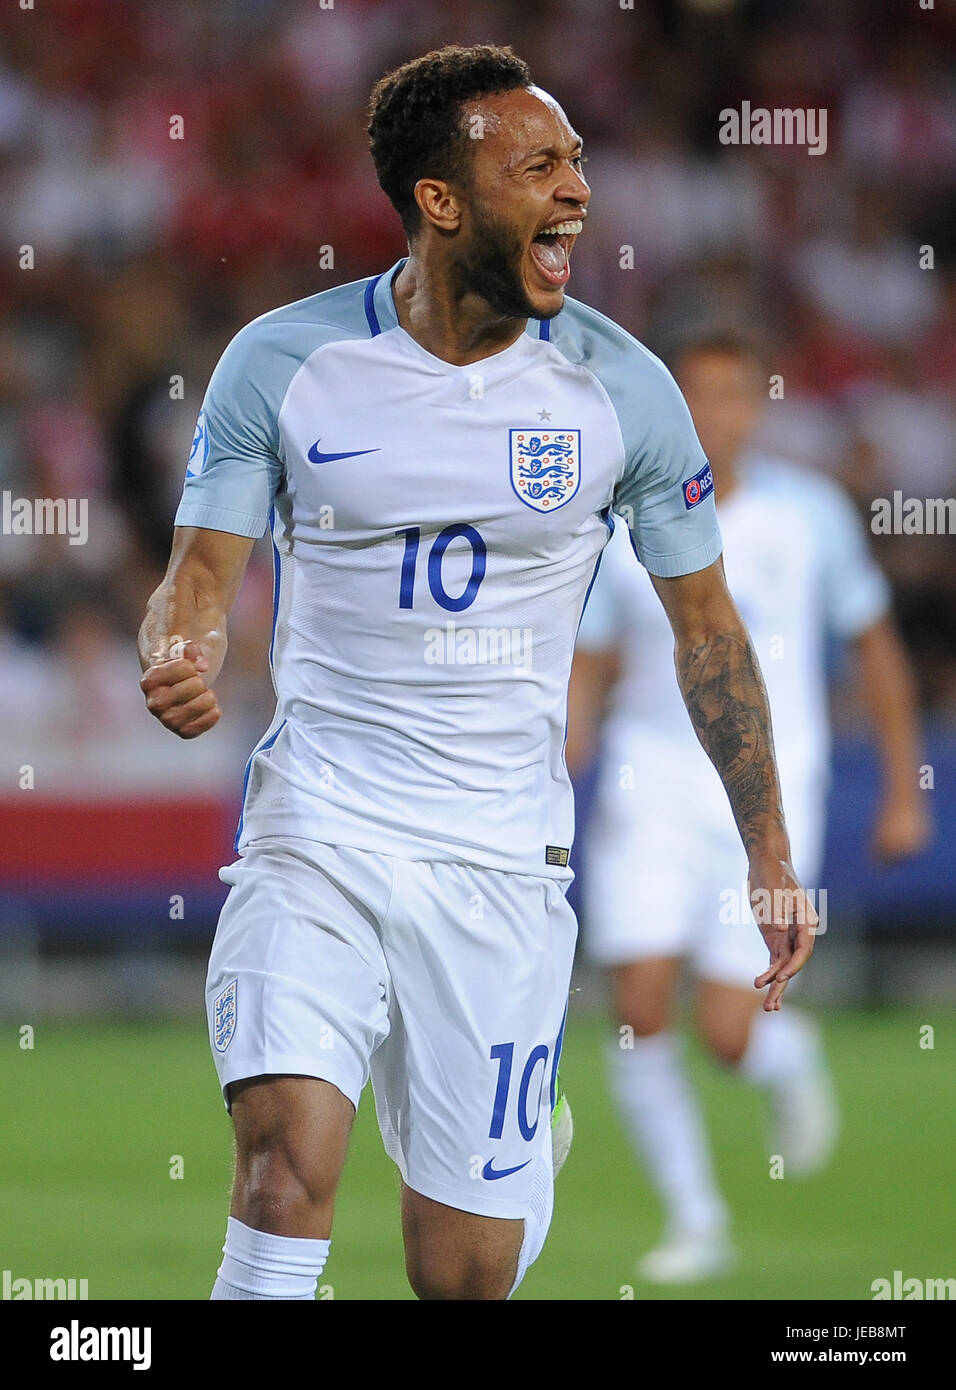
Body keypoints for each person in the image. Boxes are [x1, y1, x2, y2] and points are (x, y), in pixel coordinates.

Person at [138, 46, 815, 1302]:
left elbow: (708, 632)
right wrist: (178, 650)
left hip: (501, 864)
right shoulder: (281, 364)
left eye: (577, 163)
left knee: (462, 1277)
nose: (577, 193)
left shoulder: (622, 391)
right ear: (441, 201)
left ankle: (511, 1148)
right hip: (317, 830)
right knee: (282, 1164)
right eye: (539, 167)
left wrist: (766, 849)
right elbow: (196, 574)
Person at [567, 329, 931, 1284]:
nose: (715, 415)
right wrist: (565, 747)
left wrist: (903, 788)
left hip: (766, 795)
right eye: (697, 397)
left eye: (733, 395)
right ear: (673, 407)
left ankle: (785, 1054)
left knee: (730, 1030)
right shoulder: (622, 520)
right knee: (637, 1002)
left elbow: (876, 649)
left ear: (755, 407)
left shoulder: (807, 515)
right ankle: (696, 1220)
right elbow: (594, 659)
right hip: (649, 787)